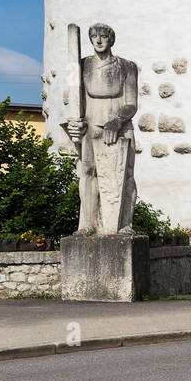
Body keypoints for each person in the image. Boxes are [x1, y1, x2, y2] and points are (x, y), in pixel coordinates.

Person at [65, 24, 138, 234]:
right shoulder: (80, 66)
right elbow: (75, 99)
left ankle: (124, 224)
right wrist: (74, 123)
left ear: (111, 40)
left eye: (103, 36)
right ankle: (87, 223)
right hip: (91, 124)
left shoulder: (126, 66)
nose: (98, 41)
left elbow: (131, 103)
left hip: (119, 126)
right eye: (94, 37)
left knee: (125, 174)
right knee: (88, 172)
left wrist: (117, 121)